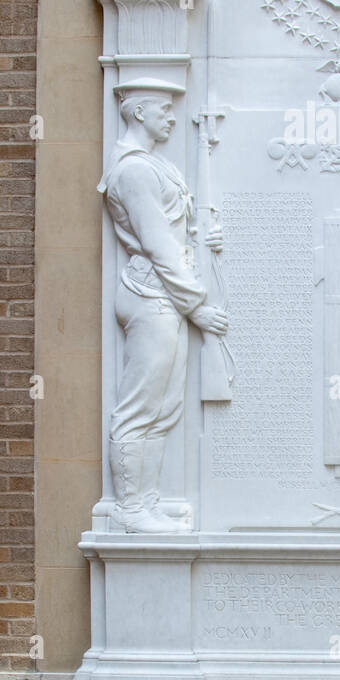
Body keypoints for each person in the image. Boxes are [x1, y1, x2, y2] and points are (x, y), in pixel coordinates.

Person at [98, 78, 228, 532]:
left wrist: (201, 238)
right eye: (162, 108)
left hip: (165, 297)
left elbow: (173, 232)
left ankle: (146, 502)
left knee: (164, 408)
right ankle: (130, 509)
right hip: (153, 296)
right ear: (137, 113)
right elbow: (157, 246)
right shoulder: (133, 170)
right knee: (140, 406)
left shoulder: (152, 166)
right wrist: (197, 306)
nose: (171, 115)